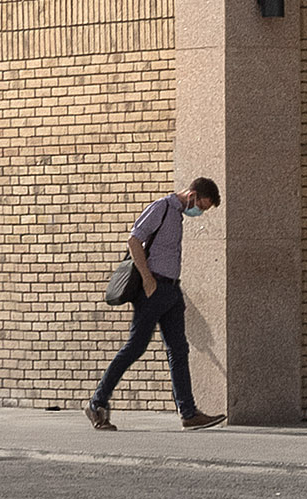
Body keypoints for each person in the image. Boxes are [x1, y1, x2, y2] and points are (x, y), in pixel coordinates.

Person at [89, 175, 221, 428]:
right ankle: (97, 403)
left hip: (171, 291)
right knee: (135, 347)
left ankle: (189, 413)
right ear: (192, 194)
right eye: (201, 206)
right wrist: (148, 281)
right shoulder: (161, 207)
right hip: (153, 289)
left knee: (179, 351)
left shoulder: (178, 216)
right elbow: (134, 240)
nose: (200, 211)